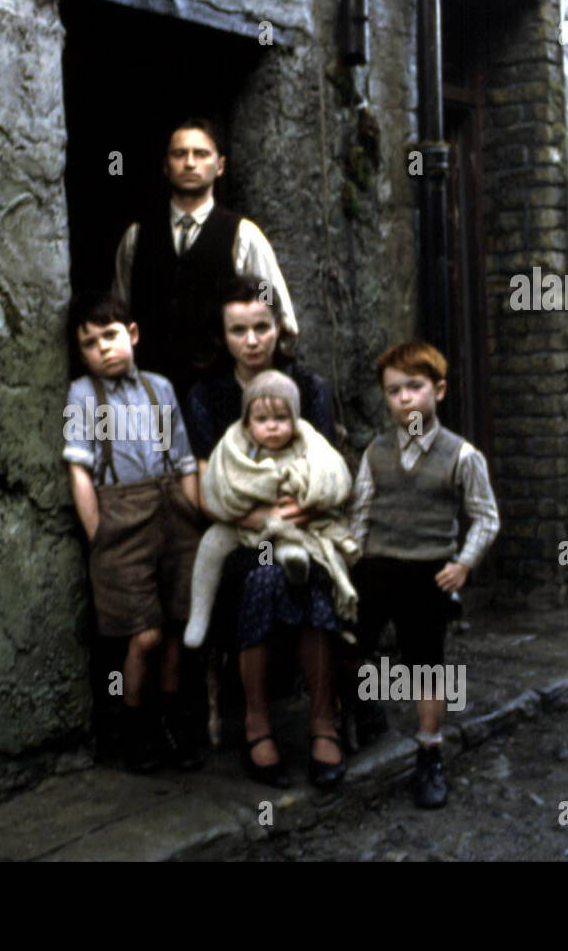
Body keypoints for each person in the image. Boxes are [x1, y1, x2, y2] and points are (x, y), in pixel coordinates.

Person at [183, 276, 347, 790]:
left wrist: (291, 517)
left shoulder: (307, 387)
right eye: (239, 330)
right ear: (223, 335)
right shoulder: (207, 395)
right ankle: (257, 723)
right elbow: (209, 485)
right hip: (239, 533)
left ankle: (323, 721)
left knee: (310, 579)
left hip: (305, 526)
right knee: (261, 577)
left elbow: (324, 464)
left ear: (279, 328)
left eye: (261, 326)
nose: (252, 340)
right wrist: (257, 521)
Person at [349, 339, 500, 808]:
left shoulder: (461, 455)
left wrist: (463, 563)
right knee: (351, 644)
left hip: (428, 572)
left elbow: (486, 516)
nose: (404, 399)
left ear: (439, 390)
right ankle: (358, 714)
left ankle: (429, 752)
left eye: (415, 388)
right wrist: (348, 562)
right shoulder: (374, 453)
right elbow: (360, 514)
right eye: (394, 392)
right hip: (375, 567)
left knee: (426, 666)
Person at [63, 291, 205, 773]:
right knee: (140, 634)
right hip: (120, 520)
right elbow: (79, 468)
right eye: (89, 343)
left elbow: (184, 459)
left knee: (172, 628)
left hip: (172, 513)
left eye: (110, 335)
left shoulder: (159, 388)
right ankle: (132, 724)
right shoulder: (84, 395)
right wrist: (98, 531)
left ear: (133, 334)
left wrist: (191, 510)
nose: (102, 348)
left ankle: (168, 721)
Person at [113, 118, 298, 404]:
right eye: (179, 154)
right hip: (150, 394)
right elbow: (120, 312)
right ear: (166, 166)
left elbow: (273, 303)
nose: (189, 163)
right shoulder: (137, 237)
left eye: (201, 154)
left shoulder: (243, 235)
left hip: (222, 393)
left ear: (220, 166)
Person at [185, 369, 359, 651]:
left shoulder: (308, 445)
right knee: (211, 543)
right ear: (247, 422)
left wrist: (300, 492)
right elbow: (221, 484)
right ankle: (199, 614)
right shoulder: (236, 448)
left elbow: (330, 477)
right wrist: (255, 493)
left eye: (281, 418)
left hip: (296, 524)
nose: (273, 427)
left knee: (292, 545)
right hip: (244, 523)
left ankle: (295, 563)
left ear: (295, 419)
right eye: (262, 420)